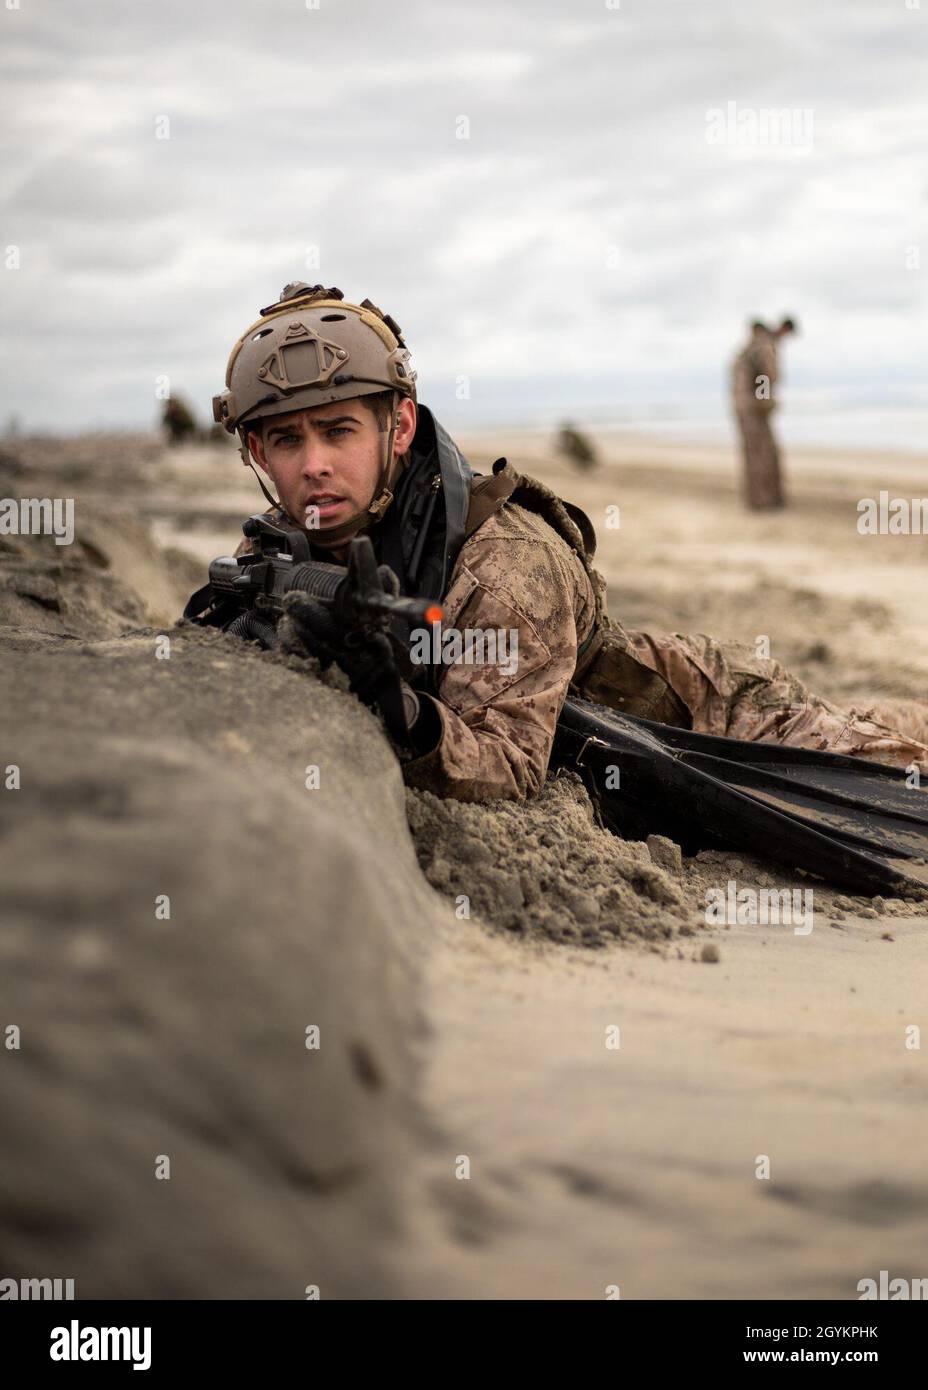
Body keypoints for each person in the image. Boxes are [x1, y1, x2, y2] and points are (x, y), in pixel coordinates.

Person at [187, 284, 928, 802]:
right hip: (630, 709)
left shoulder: (506, 563)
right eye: (287, 440)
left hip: (704, 718)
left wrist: (398, 709)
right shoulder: (294, 542)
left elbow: (509, 764)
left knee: (883, 759)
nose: (313, 463)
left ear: (400, 427)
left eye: (339, 430)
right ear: (256, 451)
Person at [731, 317, 796, 509]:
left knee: (754, 454)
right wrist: (765, 401)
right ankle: (765, 500)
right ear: (785, 330)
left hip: (744, 406)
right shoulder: (764, 346)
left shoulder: (750, 347)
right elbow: (766, 377)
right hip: (753, 409)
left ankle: (759, 499)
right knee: (762, 454)